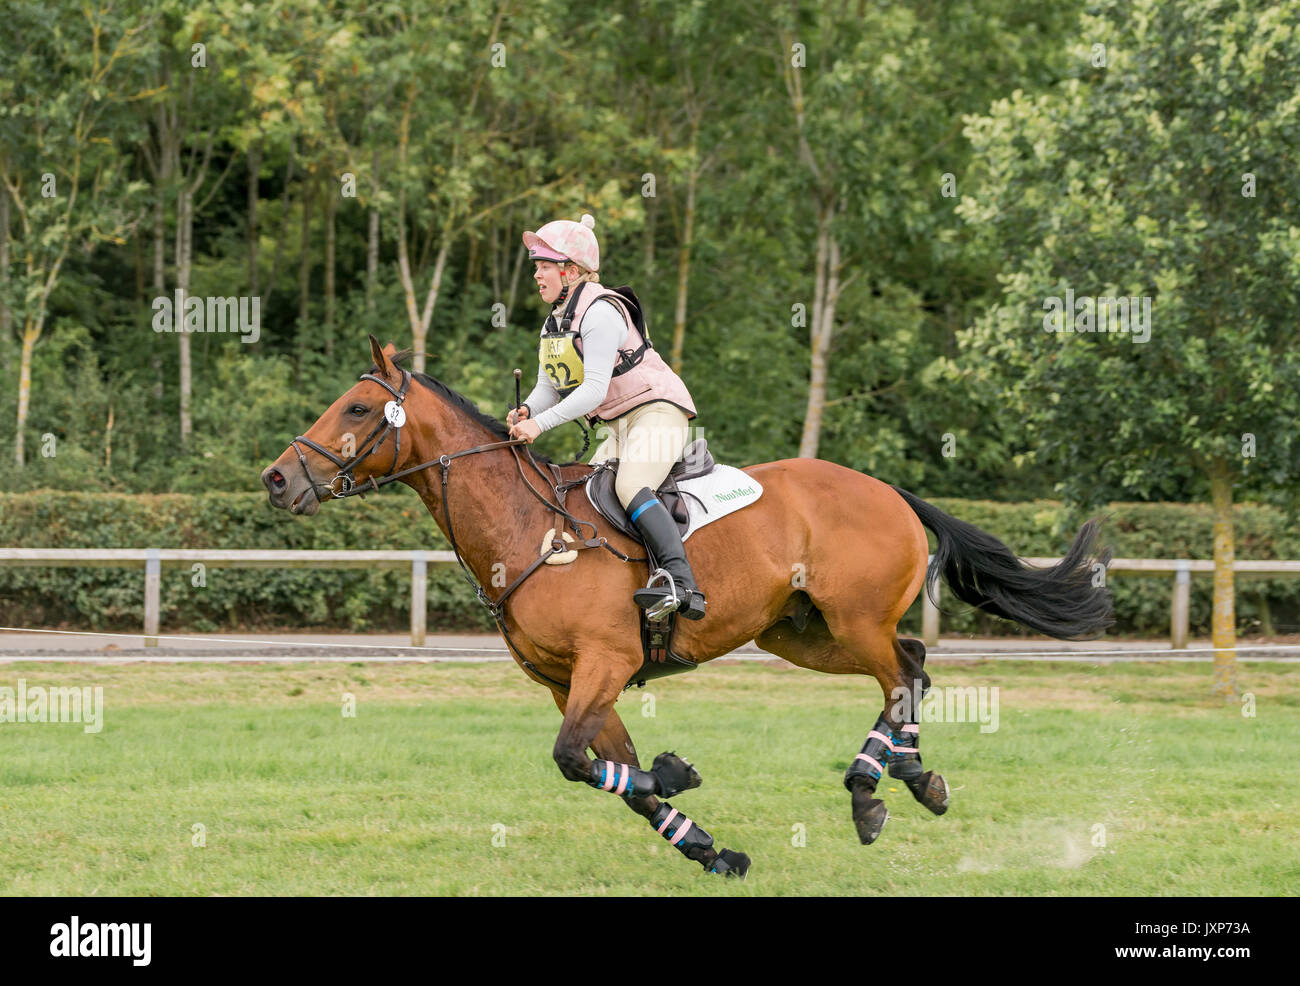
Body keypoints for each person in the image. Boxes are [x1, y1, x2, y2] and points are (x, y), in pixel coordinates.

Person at [507, 213, 706, 620]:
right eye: (536, 267)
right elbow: (548, 387)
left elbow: (594, 390)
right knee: (584, 496)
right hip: (617, 426)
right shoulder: (554, 322)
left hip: (657, 411)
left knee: (630, 485)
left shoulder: (600, 312)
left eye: (544, 266)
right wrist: (528, 409)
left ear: (571, 271)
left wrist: (538, 425)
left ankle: (681, 583)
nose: (537, 275)